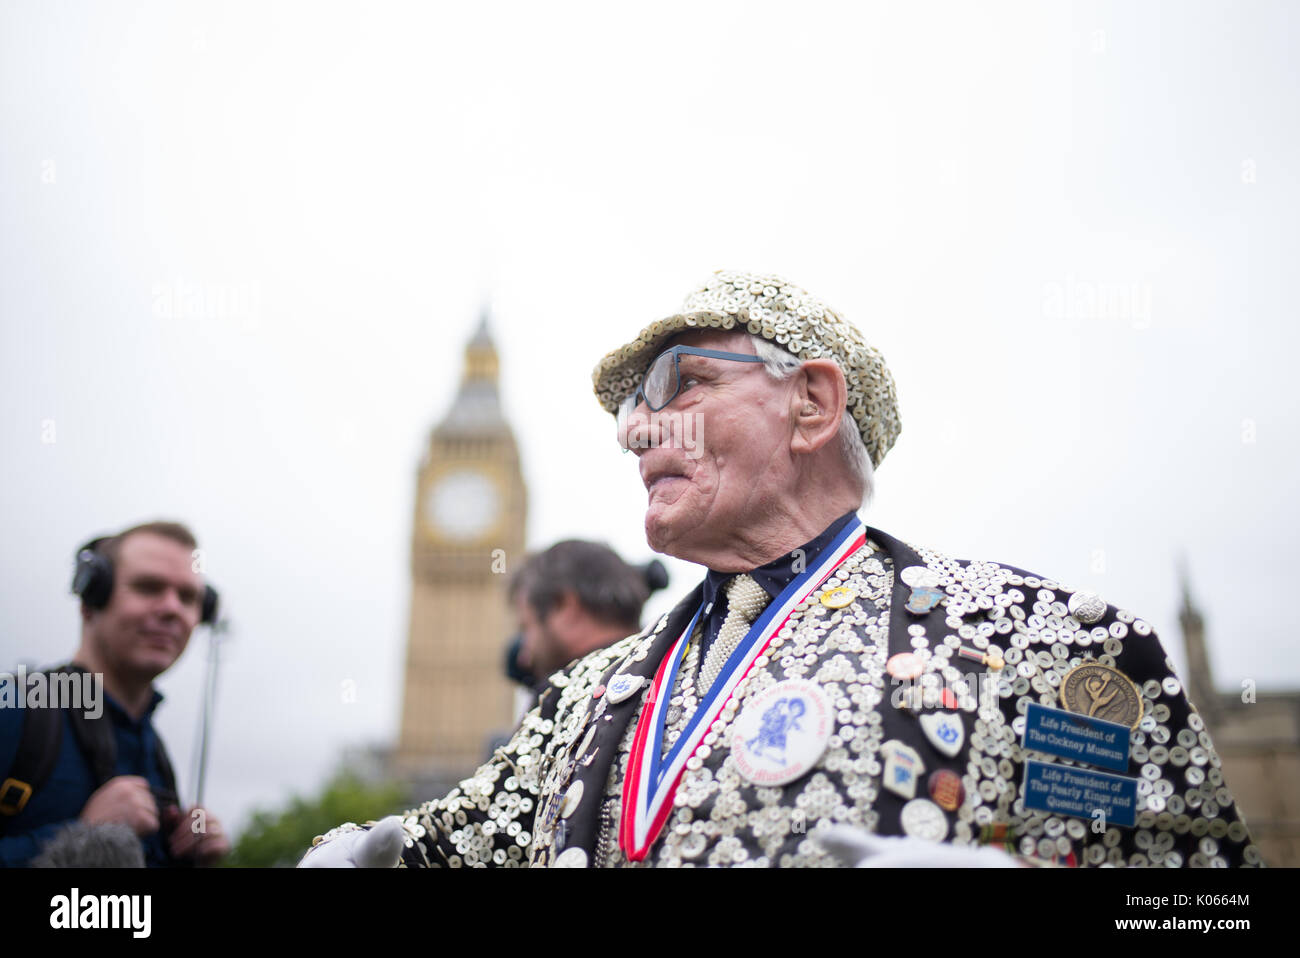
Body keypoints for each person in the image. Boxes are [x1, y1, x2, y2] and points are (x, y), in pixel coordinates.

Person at [303, 269, 1262, 868]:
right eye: (633, 408)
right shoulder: (585, 696)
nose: (637, 428)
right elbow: (428, 850)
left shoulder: (1051, 648)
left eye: (682, 385)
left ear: (810, 406)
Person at [0, 521, 231, 867]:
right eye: (148, 587)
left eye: (188, 597)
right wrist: (80, 838)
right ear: (91, 598)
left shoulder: (156, 753)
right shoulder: (17, 705)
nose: (172, 609)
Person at [504, 540, 668, 709]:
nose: (523, 658)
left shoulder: (557, 704)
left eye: (526, 627)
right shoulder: (675, 672)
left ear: (564, 606)